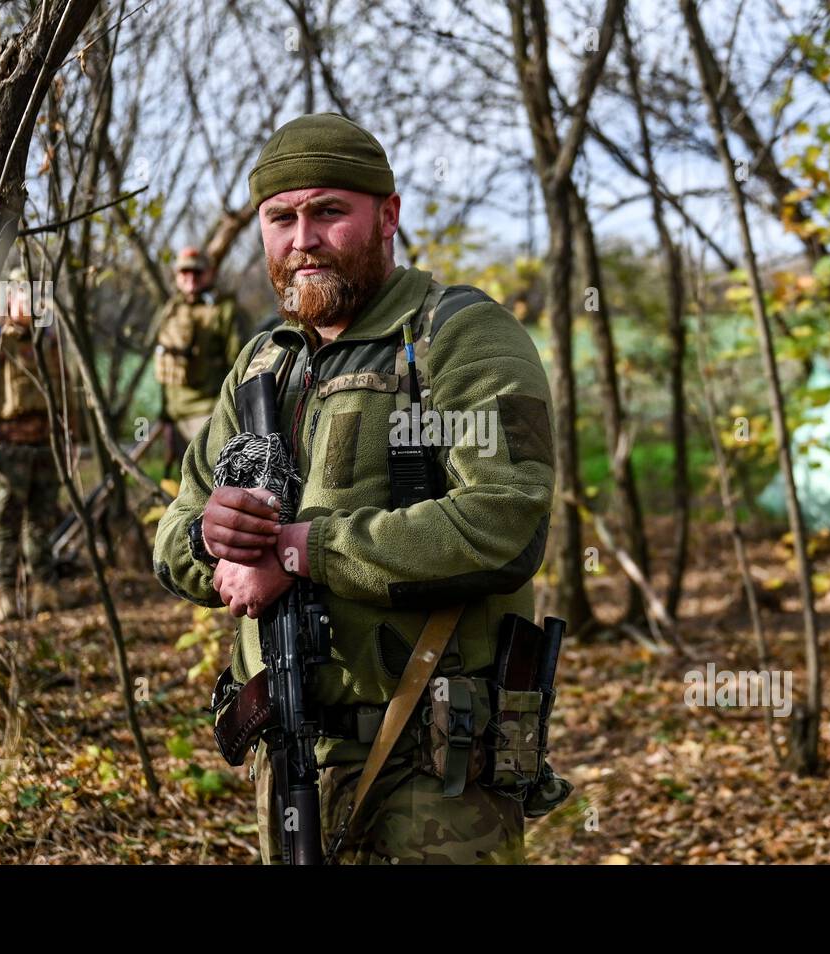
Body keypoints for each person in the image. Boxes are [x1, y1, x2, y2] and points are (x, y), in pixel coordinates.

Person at [153, 113, 558, 864]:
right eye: (281, 218)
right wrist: (212, 539)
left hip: (436, 772)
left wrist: (303, 551)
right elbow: (175, 526)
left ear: (389, 216)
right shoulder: (259, 366)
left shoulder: (460, 336)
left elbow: (504, 520)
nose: (302, 238)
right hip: (288, 752)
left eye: (328, 211)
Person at [0, 268, 74, 621]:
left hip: (45, 444)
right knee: (5, 523)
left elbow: (66, 391)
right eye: (24, 293)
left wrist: (70, 438)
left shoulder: (48, 338)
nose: (32, 301)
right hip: (8, 447)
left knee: (42, 521)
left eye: (37, 294)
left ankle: (44, 588)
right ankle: (4, 593)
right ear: (10, 296)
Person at [153, 246, 248, 460]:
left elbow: (240, 366)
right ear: (176, 275)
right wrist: (165, 413)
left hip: (208, 415)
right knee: (178, 486)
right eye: (185, 272)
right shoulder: (171, 309)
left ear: (210, 273)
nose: (191, 278)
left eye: (197, 272)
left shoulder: (226, 310)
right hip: (175, 415)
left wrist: (226, 416)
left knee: (210, 485)